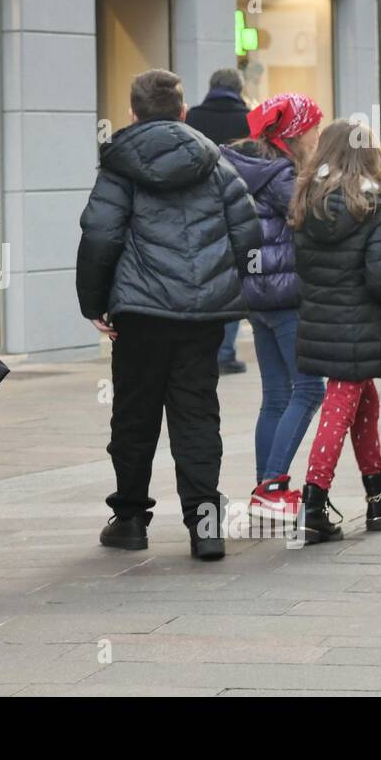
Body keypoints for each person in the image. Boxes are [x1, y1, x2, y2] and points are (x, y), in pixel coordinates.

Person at [76, 69, 262, 560]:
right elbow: (248, 235)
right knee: (197, 414)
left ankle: (131, 519)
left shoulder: (119, 166)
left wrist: (93, 302)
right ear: (183, 111)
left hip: (138, 313)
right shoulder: (217, 164)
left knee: (134, 415)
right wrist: (233, 289)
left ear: (133, 113)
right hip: (200, 316)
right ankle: (205, 527)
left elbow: (100, 236)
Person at [291, 120, 381, 545]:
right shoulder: (372, 203)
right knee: (340, 406)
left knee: (365, 402)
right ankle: (315, 501)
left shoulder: (308, 200)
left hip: (321, 318)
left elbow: (303, 269)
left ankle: (380, 493)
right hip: (357, 322)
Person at [221, 93, 324, 522]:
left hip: (256, 298)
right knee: (309, 390)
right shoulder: (284, 176)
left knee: (276, 396)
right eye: (315, 127)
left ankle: (268, 491)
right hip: (285, 297)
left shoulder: (245, 168)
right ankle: (273, 485)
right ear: (297, 134)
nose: (319, 134)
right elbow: (318, 222)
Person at [186, 68, 252, 374]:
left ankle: (201, 351)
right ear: (239, 88)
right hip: (236, 206)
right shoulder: (249, 119)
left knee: (201, 279)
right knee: (232, 282)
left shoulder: (193, 118)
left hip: (197, 210)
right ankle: (225, 353)